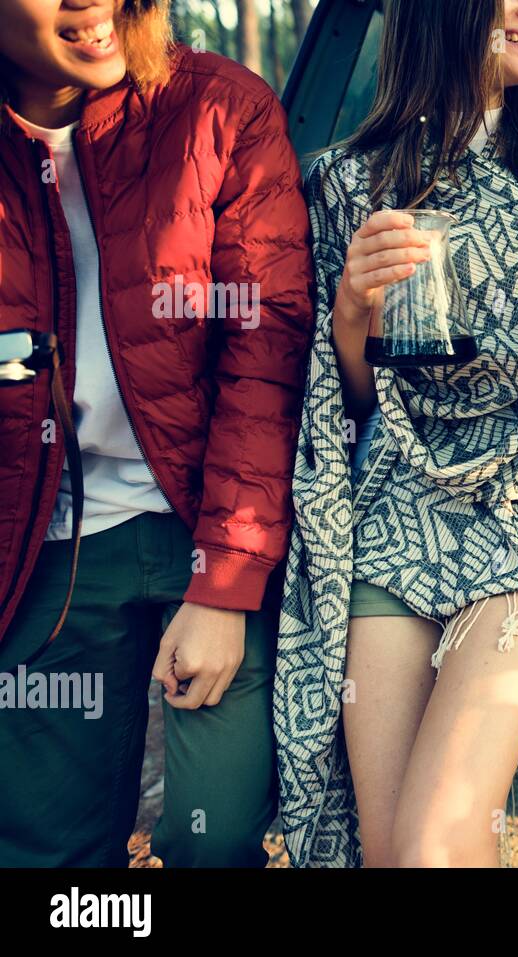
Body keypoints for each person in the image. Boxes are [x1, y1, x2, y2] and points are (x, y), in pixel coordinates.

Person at [274, 0, 518, 868]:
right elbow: (348, 410)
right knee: (390, 852)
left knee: (437, 843)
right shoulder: (343, 181)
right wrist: (349, 318)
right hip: (393, 520)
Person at [0, 0, 313, 866]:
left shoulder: (222, 108)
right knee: (48, 855)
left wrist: (224, 584)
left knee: (210, 842)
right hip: (41, 544)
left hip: (206, 527)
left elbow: (268, 352)